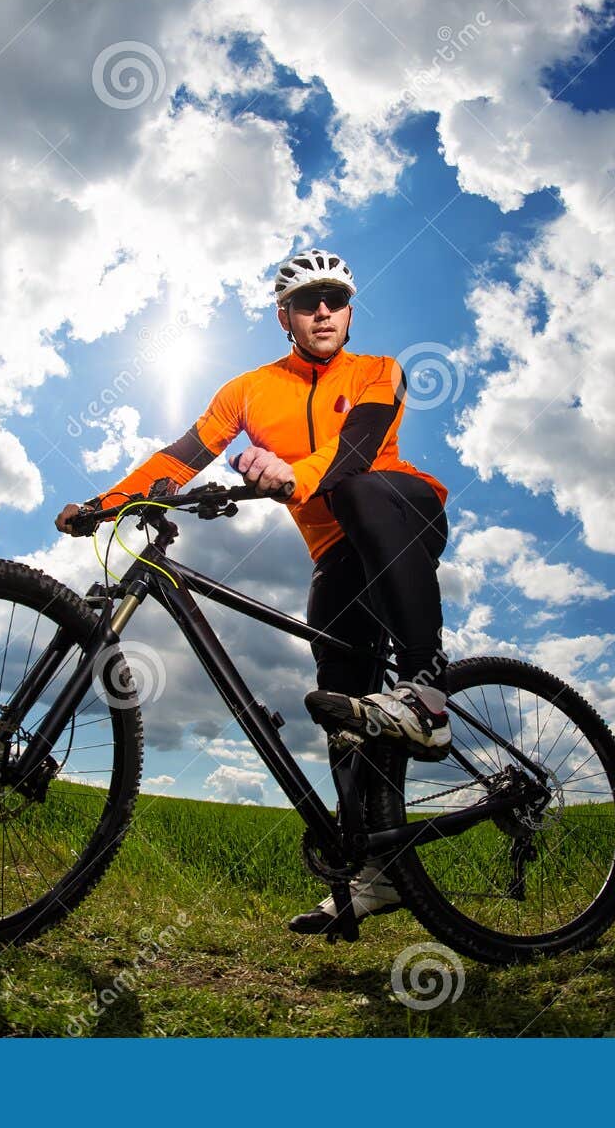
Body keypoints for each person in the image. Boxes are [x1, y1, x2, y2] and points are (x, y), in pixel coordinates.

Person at [55, 248, 451, 935]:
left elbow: (357, 449)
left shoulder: (378, 371)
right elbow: (181, 456)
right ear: (285, 317)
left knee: (357, 489)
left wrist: (292, 476)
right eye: (307, 301)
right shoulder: (248, 389)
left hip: (399, 516)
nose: (322, 310)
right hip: (336, 557)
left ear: (350, 311)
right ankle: (375, 873)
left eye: (334, 298)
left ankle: (428, 691)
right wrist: (107, 501)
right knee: (344, 709)